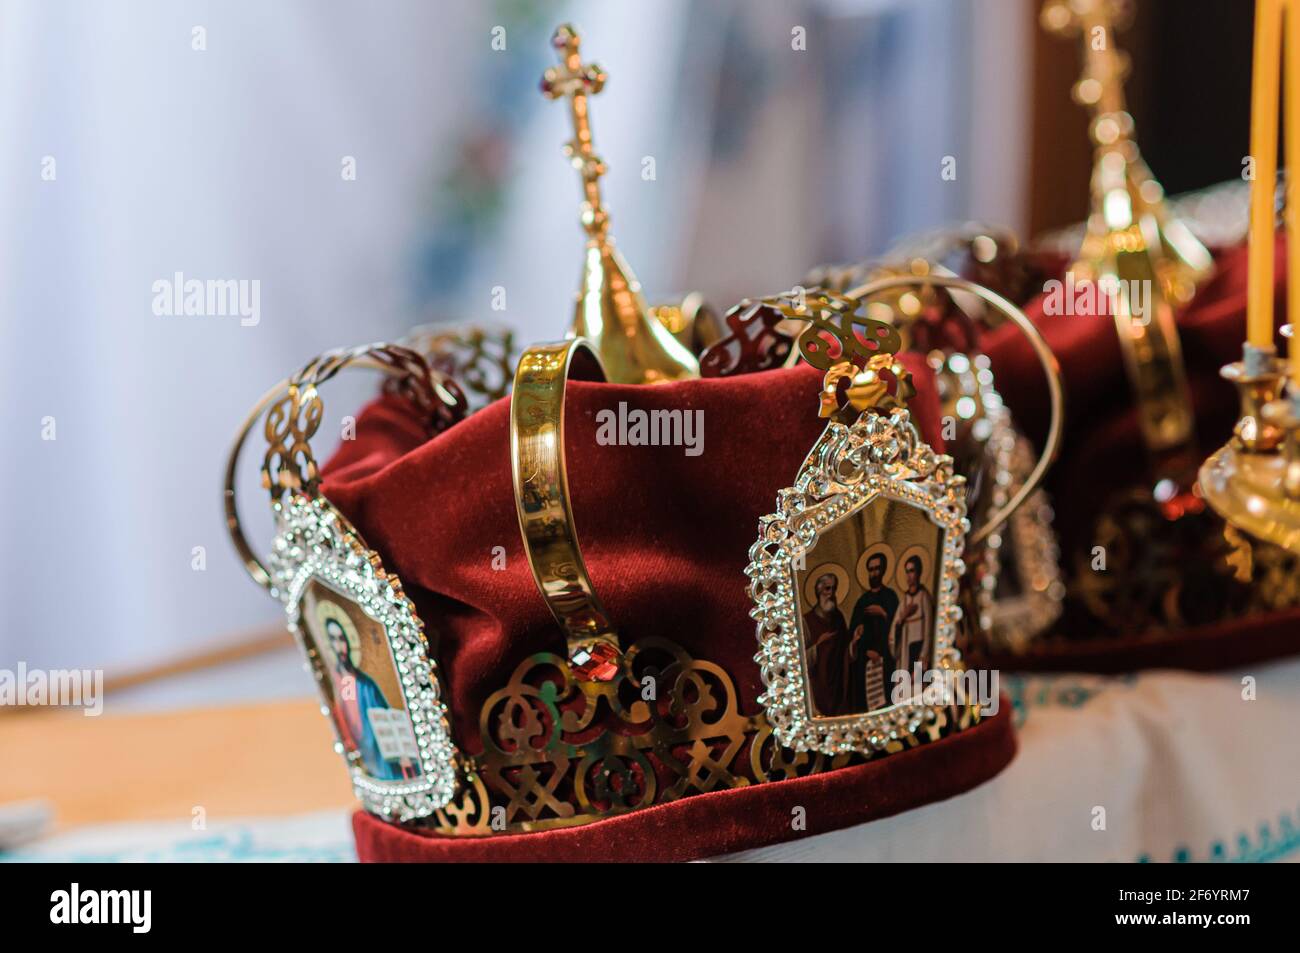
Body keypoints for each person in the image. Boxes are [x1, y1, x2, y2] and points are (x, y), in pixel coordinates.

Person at [323, 615, 407, 780]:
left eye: (341, 639)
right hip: (363, 759)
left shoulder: (366, 686)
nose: (339, 647)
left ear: (348, 642)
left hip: (384, 761)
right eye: (333, 640)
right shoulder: (336, 680)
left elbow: (388, 721)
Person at [847, 553, 899, 711]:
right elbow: (853, 634)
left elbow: (899, 628)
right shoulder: (862, 601)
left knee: (889, 701)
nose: (874, 573)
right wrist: (865, 651)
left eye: (877, 569)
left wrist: (883, 613)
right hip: (866, 663)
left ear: (883, 571)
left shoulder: (891, 597)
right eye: (871, 569)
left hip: (887, 662)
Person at [803, 571, 850, 715]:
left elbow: (846, 647)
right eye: (827, 589)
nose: (831, 593)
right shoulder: (807, 620)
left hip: (839, 680)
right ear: (818, 591)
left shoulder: (839, 617)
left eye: (834, 588)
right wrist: (818, 645)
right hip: (820, 683)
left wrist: (854, 642)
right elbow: (801, 658)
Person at [895, 555, 934, 675]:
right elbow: (894, 629)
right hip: (905, 652)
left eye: (912, 571)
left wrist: (921, 660)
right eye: (907, 571)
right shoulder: (905, 600)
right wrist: (903, 616)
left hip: (919, 651)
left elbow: (928, 630)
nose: (909, 575)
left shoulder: (924, 597)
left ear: (919, 572)